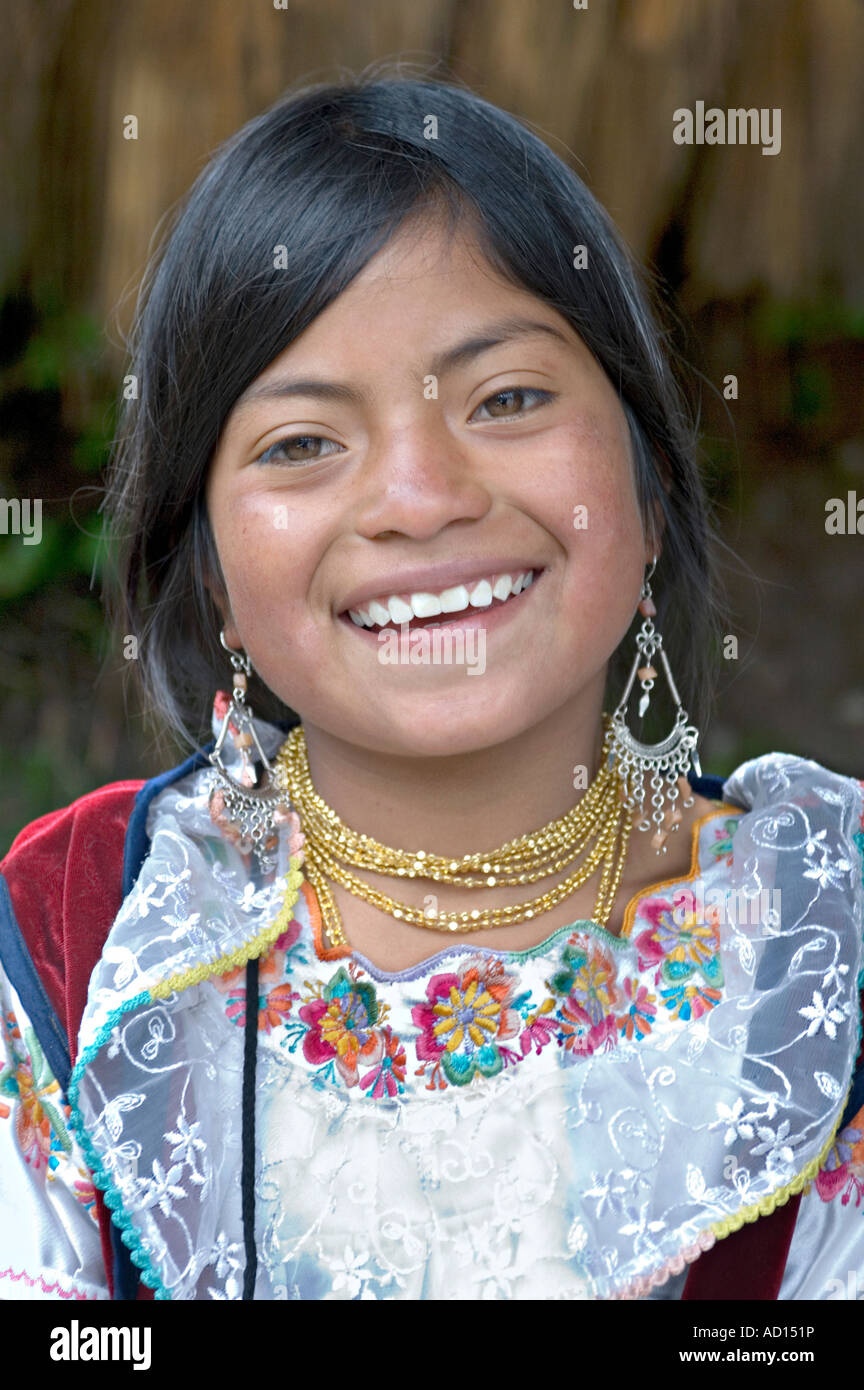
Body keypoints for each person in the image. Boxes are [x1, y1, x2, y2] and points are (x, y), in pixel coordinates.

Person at [1, 71, 862, 1303]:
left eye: (506, 398)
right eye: (303, 442)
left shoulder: (826, 939)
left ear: (651, 491)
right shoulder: (75, 943)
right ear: (215, 579)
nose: (421, 496)